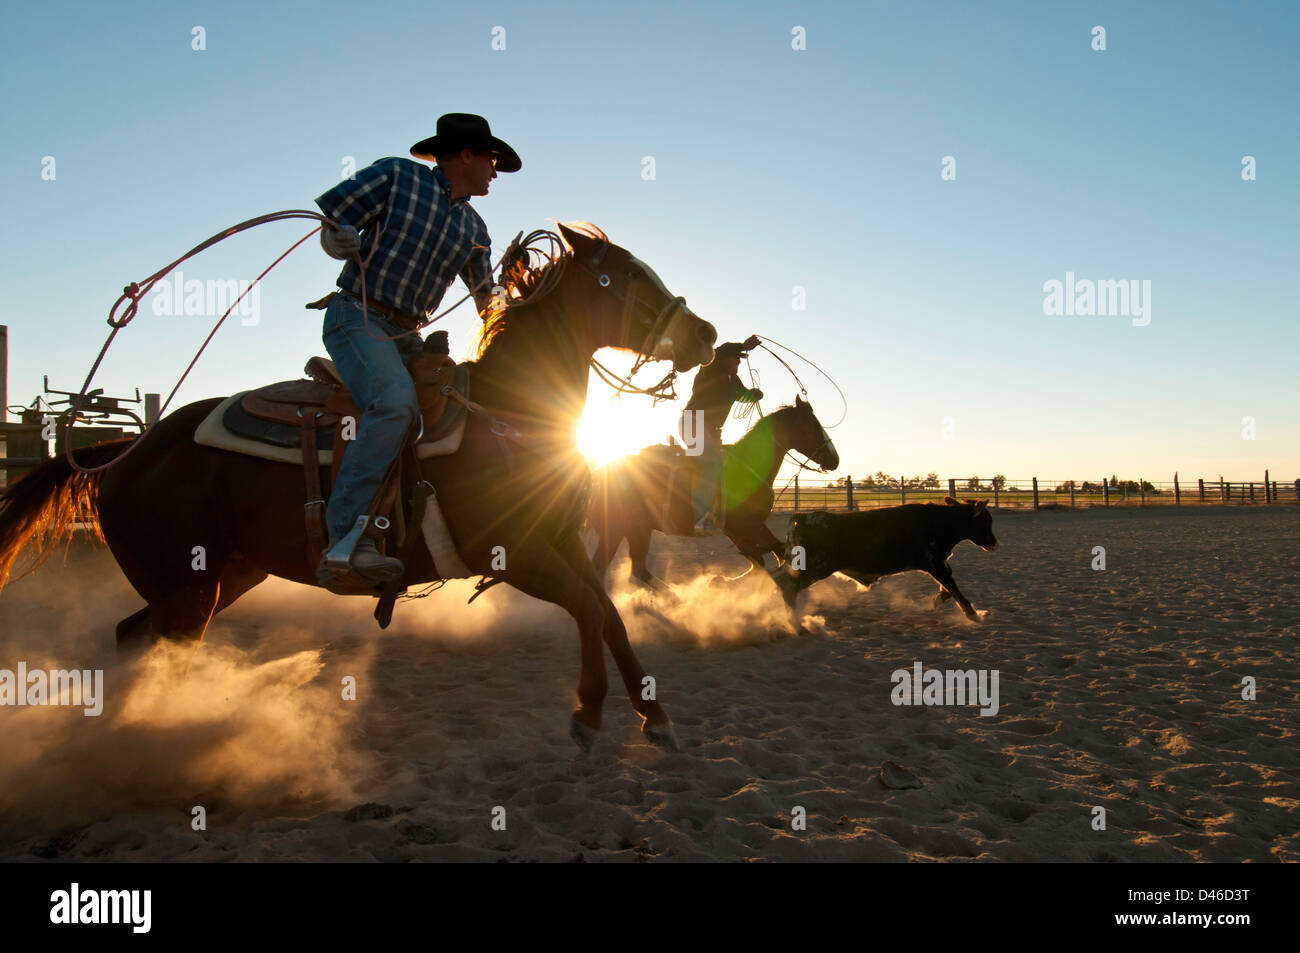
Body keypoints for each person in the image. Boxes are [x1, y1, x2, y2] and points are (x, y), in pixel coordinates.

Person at [313, 113, 520, 583]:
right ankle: (345, 539)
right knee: (393, 406)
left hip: (409, 338)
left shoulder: (475, 227)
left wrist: (525, 294)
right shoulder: (397, 175)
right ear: (464, 154)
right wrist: (337, 240)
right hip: (358, 318)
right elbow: (332, 220)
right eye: (491, 160)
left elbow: (490, 302)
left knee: (466, 409)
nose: (494, 171)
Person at [681, 335, 763, 534]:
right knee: (711, 464)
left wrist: (754, 396)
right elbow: (716, 354)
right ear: (724, 358)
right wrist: (743, 346)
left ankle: (713, 514)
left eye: (739, 359)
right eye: (735, 358)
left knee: (721, 467)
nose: (738, 362)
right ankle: (693, 516)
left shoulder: (733, 380)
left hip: (711, 432)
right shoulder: (710, 369)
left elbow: (742, 395)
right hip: (693, 423)